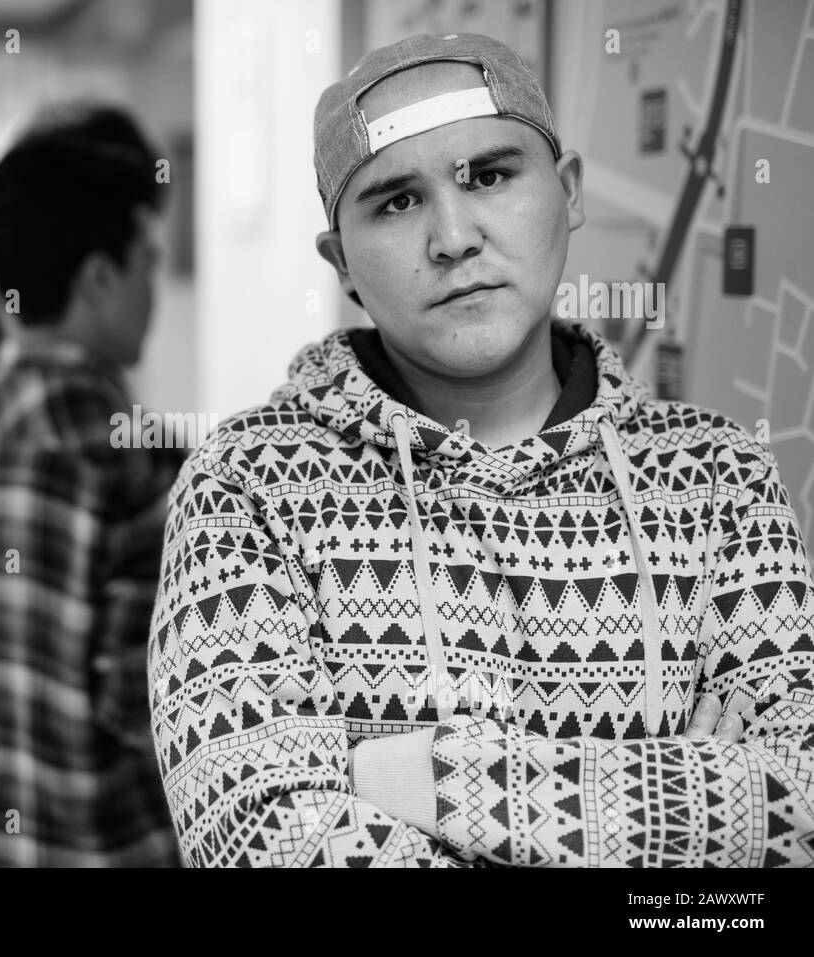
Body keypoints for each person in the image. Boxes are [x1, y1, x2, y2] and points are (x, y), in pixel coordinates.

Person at [147, 33, 814, 867]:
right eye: (396, 201)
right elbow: (258, 837)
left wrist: (404, 777)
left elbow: (802, 808)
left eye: (489, 176)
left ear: (567, 192)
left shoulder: (723, 480)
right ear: (343, 264)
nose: (453, 236)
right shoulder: (245, 489)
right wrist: (698, 793)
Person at [0, 103, 185, 866]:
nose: (158, 287)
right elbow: (158, 719)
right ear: (100, 277)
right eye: (149, 262)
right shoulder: (136, 465)